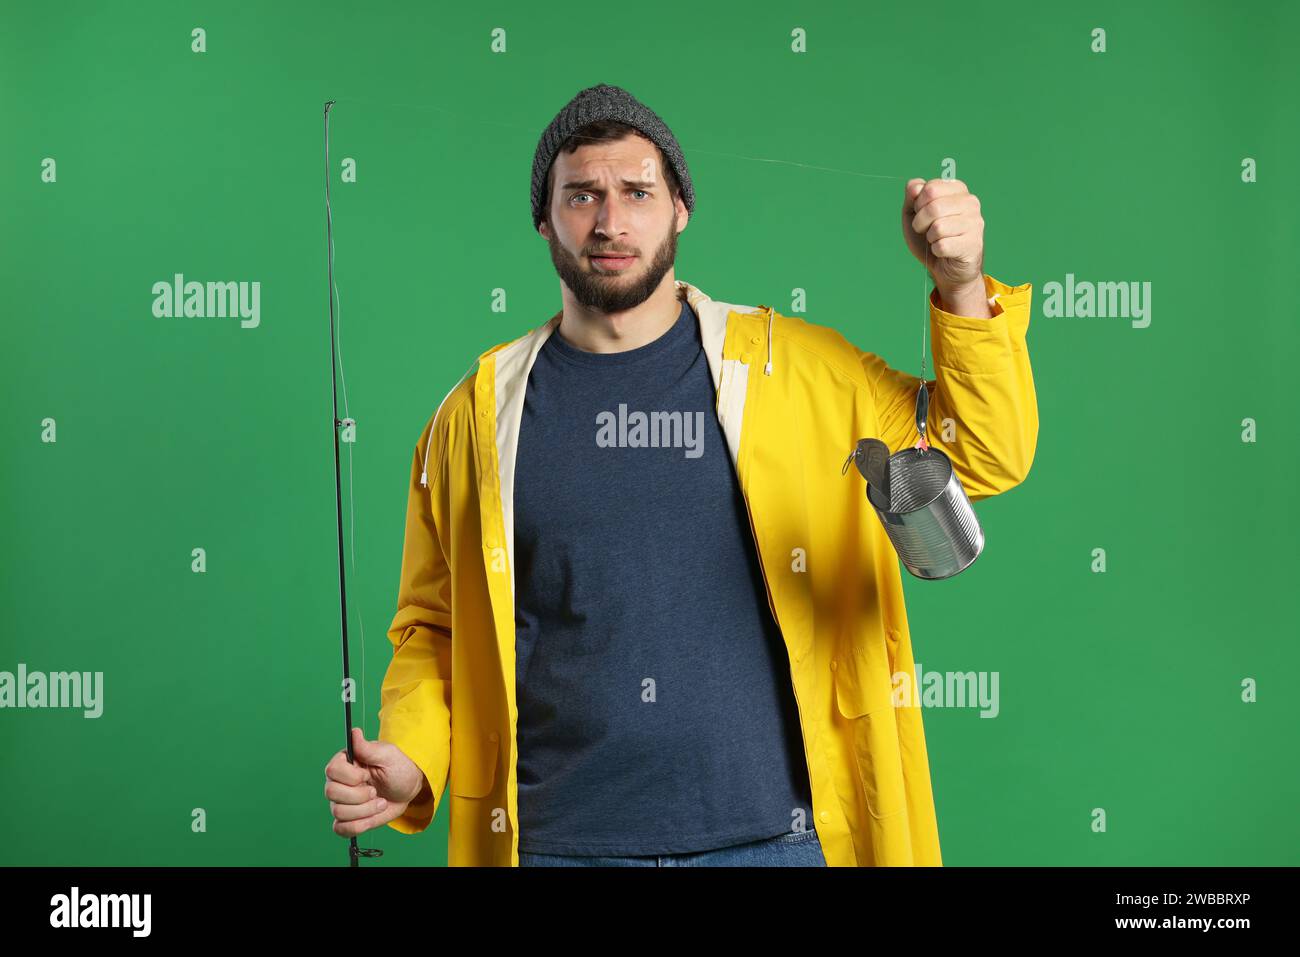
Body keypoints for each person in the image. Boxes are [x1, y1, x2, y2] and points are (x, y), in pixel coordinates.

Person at [324, 83, 1038, 866]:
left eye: (637, 191)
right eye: (581, 195)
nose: (610, 220)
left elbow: (983, 451)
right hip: (559, 847)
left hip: (781, 843)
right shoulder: (474, 417)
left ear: (680, 208)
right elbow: (435, 627)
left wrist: (963, 287)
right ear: (544, 218)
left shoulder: (798, 372)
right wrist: (413, 757)